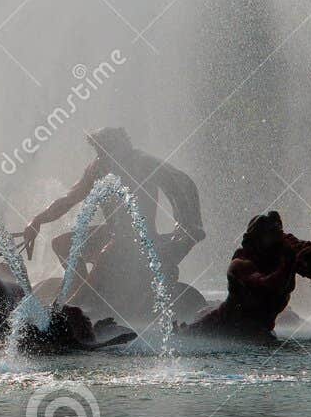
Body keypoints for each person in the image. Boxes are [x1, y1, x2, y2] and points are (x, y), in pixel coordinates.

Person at [23, 126, 205, 324]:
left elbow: (182, 183)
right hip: (112, 235)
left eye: (108, 151)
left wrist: (187, 228)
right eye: (100, 152)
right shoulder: (98, 168)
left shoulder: (143, 162)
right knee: (62, 244)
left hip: (140, 239)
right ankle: (75, 292)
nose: (104, 157)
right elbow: (69, 199)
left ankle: (75, 306)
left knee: (107, 253)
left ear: (124, 146)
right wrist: (37, 221)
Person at [187, 211, 311, 343]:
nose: (277, 241)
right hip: (222, 328)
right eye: (270, 235)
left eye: (278, 234)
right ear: (255, 240)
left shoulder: (283, 254)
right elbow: (268, 286)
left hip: (260, 331)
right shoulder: (241, 264)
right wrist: (289, 261)